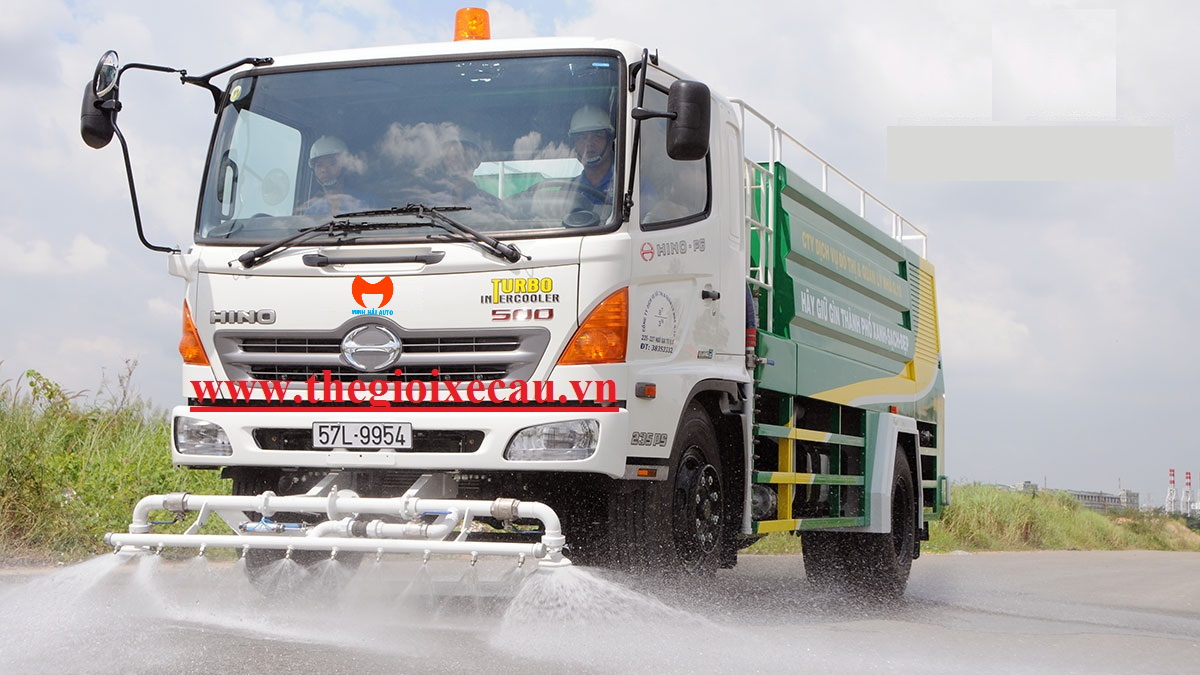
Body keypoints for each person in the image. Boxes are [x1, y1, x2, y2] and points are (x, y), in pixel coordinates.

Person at [299, 135, 367, 216]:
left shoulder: (363, 202)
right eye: (319, 165)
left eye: (332, 163)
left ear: (344, 166)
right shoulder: (312, 210)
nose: (324, 170)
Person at [567, 105, 616, 206]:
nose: (589, 143)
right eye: (582, 137)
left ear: (610, 141)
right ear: (574, 145)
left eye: (597, 136)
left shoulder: (632, 184)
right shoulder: (567, 190)